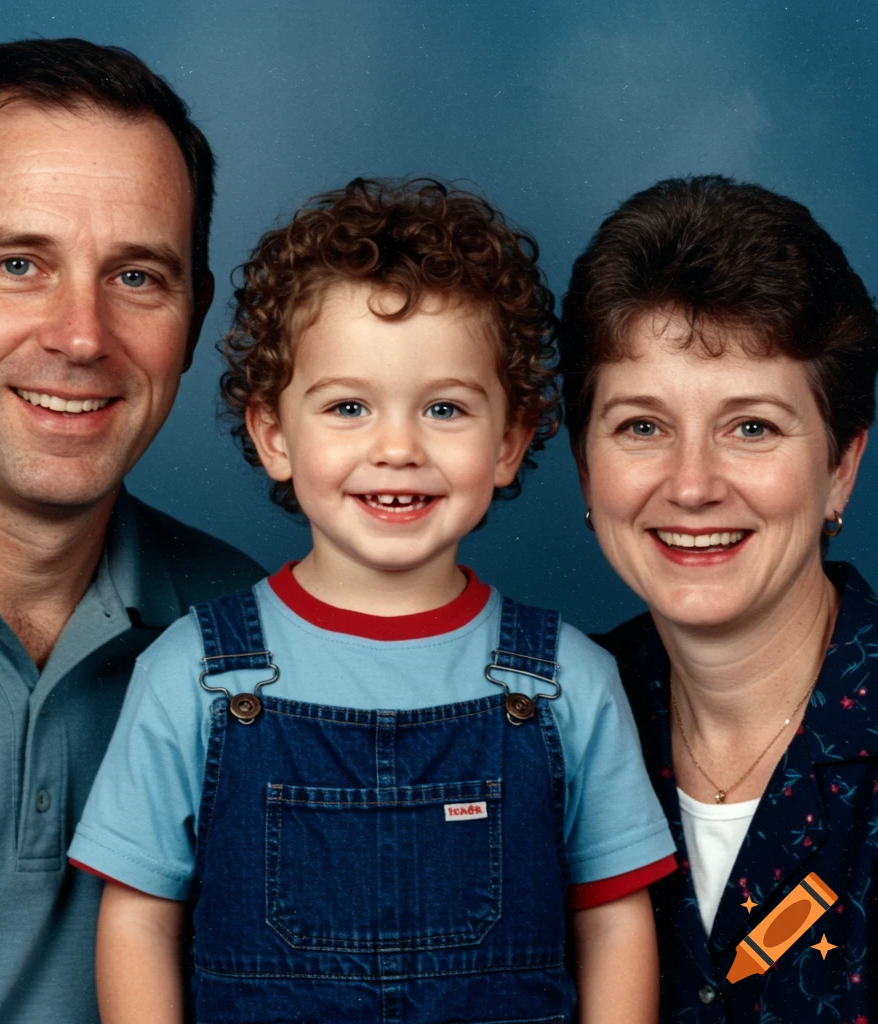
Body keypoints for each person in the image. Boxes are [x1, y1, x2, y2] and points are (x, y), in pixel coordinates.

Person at [69, 177, 677, 1024]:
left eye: (444, 408)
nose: (397, 447)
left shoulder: (568, 680)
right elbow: (138, 919)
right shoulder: (193, 675)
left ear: (509, 440)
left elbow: (613, 921)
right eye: (349, 407)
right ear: (274, 434)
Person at [0, 38, 263, 1024]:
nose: (81, 336)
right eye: (20, 262)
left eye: (137, 278)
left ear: (194, 318)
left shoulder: (248, 639)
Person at [559, 174, 878, 1021]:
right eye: (642, 426)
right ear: (586, 468)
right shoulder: (536, 726)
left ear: (842, 463)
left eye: (752, 427)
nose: (692, 486)